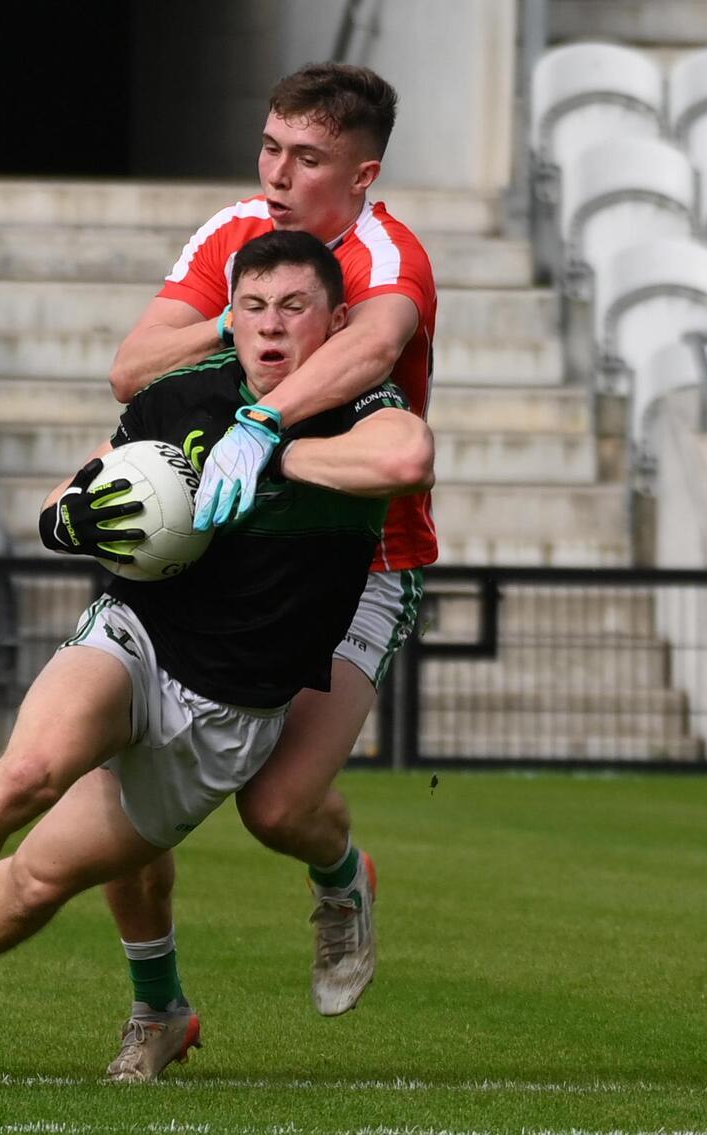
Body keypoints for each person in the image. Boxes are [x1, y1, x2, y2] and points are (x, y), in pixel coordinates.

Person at [0, 230, 435, 1077]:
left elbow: (409, 458)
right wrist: (66, 518)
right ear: (230, 317)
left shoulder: (366, 409)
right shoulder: (184, 394)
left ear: (336, 320)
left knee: (38, 877)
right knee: (23, 774)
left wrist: (270, 443)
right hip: (137, 637)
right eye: (253, 307)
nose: (271, 328)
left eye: (295, 308)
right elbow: (73, 487)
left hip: (226, 711)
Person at [98, 62, 439, 1078]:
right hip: (213, 533)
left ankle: (340, 876)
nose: (278, 174)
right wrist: (237, 316)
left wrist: (260, 423)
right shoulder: (232, 233)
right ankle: (155, 1006)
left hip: (358, 554)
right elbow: (129, 368)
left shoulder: (387, 254)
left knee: (275, 807)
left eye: (307, 157)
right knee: (115, 784)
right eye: (269, 148)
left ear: (362, 174)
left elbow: (374, 346)